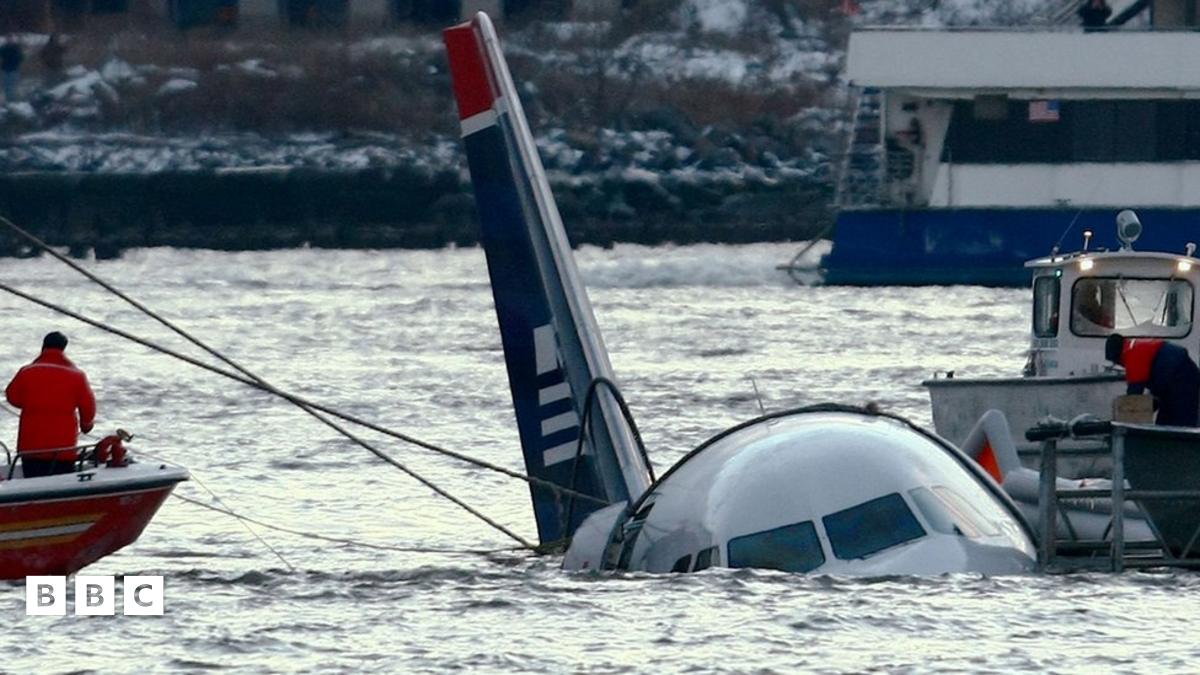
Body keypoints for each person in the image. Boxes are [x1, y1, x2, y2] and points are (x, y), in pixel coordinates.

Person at [5, 332, 96, 477]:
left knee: (32, 482)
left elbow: (12, 397)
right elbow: (88, 407)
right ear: (64, 348)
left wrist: (32, 405)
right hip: (63, 448)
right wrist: (86, 425)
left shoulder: (26, 371)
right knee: (62, 481)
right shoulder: (77, 376)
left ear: (43, 346)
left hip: (30, 446)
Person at [1105, 333, 1200, 427]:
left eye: (1115, 362)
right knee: (1167, 422)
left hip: (1182, 379)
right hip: (1180, 376)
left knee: (1179, 423)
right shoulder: (1137, 347)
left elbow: (1134, 396)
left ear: (1117, 357)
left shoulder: (1133, 357)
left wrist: (1122, 426)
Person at [0, 36, 23, 103]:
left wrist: (17, 62)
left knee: (13, 85)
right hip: (5, 69)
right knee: (6, 85)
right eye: (8, 39)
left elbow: (21, 57)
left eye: (10, 39)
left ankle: (13, 100)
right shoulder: (3, 48)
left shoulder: (16, 48)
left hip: (14, 69)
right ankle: (9, 99)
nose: (9, 40)